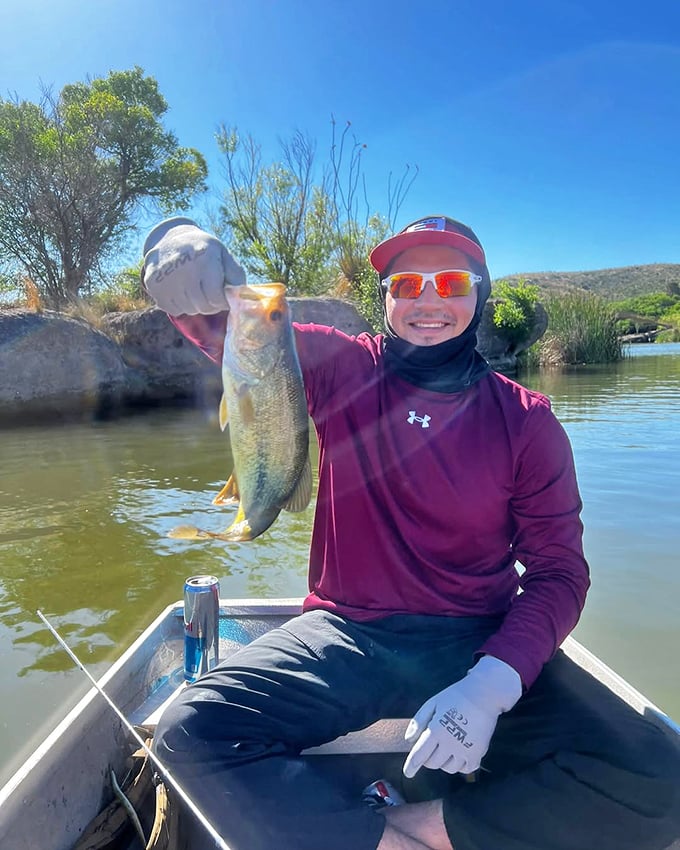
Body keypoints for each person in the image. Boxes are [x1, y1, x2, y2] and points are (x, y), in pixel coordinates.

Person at [143, 215, 680, 850]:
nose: (429, 300)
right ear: (387, 298)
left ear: (480, 294)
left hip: (475, 641)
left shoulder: (527, 421)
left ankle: (429, 826)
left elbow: (560, 574)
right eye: (407, 284)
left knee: (662, 776)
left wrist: (491, 685)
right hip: (344, 635)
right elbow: (234, 330)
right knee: (188, 729)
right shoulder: (341, 366)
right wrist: (177, 243)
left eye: (451, 282)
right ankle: (387, 843)